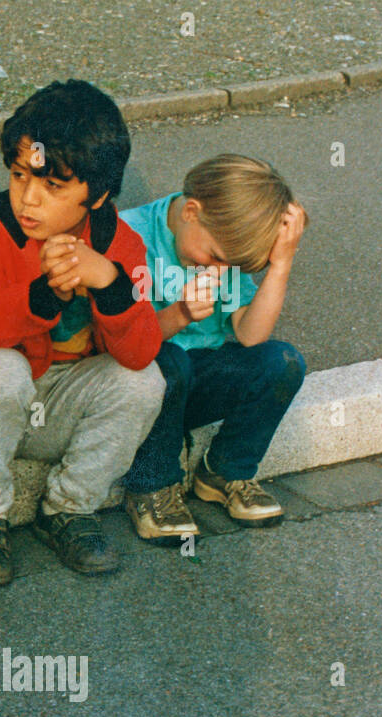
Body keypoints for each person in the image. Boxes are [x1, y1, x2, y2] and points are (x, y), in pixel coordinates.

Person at [0, 80, 164, 584]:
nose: (28, 199)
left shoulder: (118, 242)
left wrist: (109, 282)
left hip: (58, 407)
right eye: (20, 176)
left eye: (53, 187)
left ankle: (69, 508)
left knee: (145, 379)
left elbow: (142, 350)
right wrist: (45, 294)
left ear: (99, 194)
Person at [122, 154, 307, 541]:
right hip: (140, 384)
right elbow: (121, 345)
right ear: (192, 211)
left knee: (282, 361)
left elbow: (250, 335)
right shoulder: (128, 235)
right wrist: (180, 314)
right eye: (217, 259)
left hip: (193, 382)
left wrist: (281, 266)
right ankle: (151, 485)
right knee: (170, 361)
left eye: (230, 264)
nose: (219, 270)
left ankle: (225, 471)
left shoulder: (225, 248)